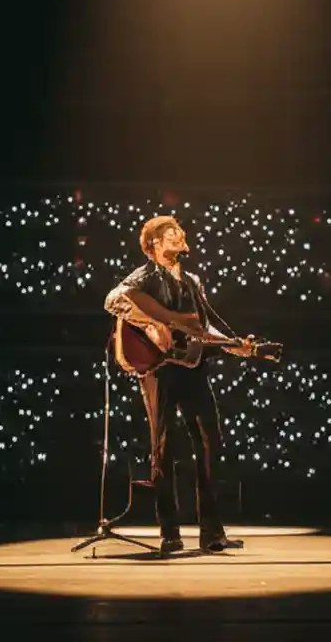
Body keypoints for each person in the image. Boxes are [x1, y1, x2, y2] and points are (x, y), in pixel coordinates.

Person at [103, 215, 254, 554]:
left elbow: (204, 327)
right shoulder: (143, 276)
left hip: (193, 368)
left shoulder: (193, 280)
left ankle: (212, 532)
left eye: (178, 230)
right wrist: (160, 323)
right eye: (167, 231)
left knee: (210, 443)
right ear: (153, 244)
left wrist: (236, 345)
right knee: (164, 447)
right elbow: (113, 300)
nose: (177, 233)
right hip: (161, 370)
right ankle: (169, 530)